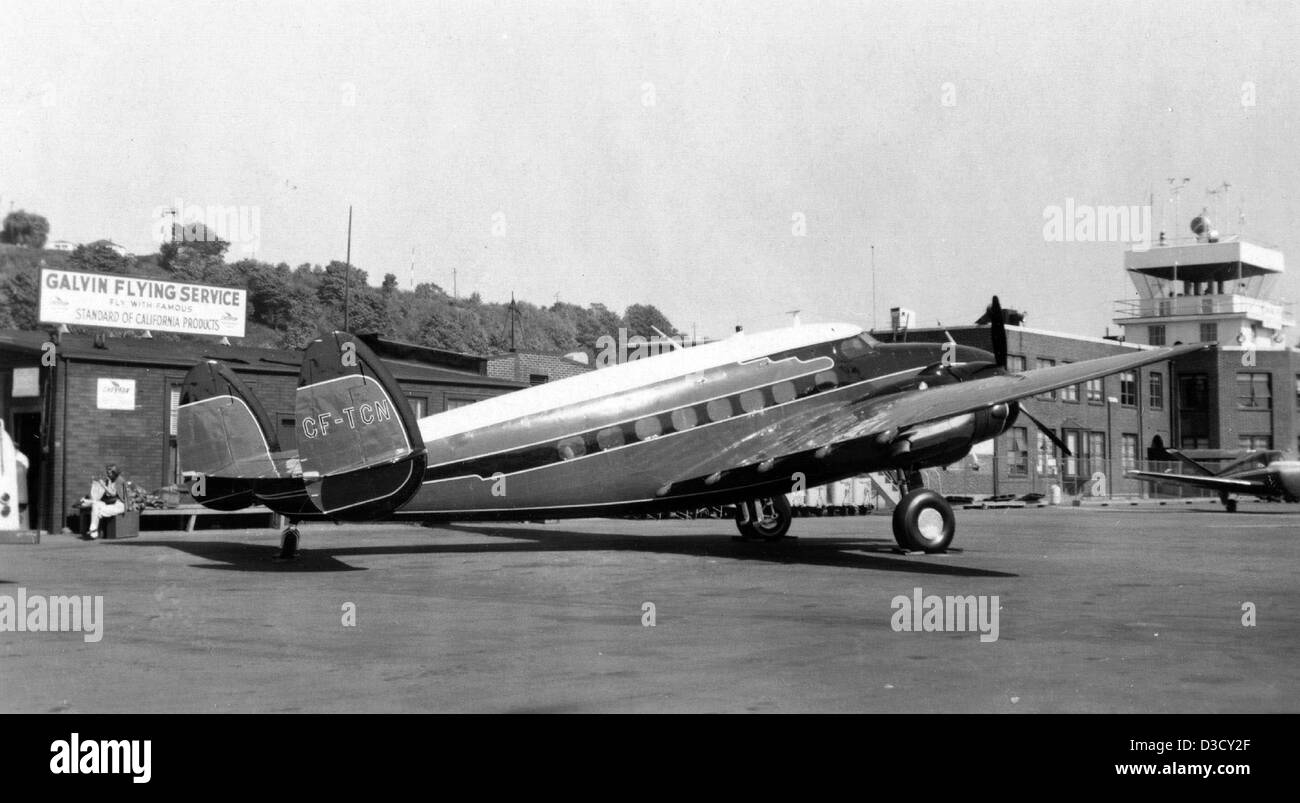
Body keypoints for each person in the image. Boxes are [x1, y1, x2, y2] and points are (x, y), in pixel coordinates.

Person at [86, 463, 127, 539]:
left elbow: (112, 493)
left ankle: (94, 531)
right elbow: (108, 494)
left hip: (120, 505)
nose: (108, 474)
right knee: (95, 504)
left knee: (98, 511)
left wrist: (103, 485)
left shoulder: (119, 480)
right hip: (111, 503)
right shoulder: (111, 480)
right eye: (107, 473)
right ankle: (93, 530)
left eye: (109, 473)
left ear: (114, 472)